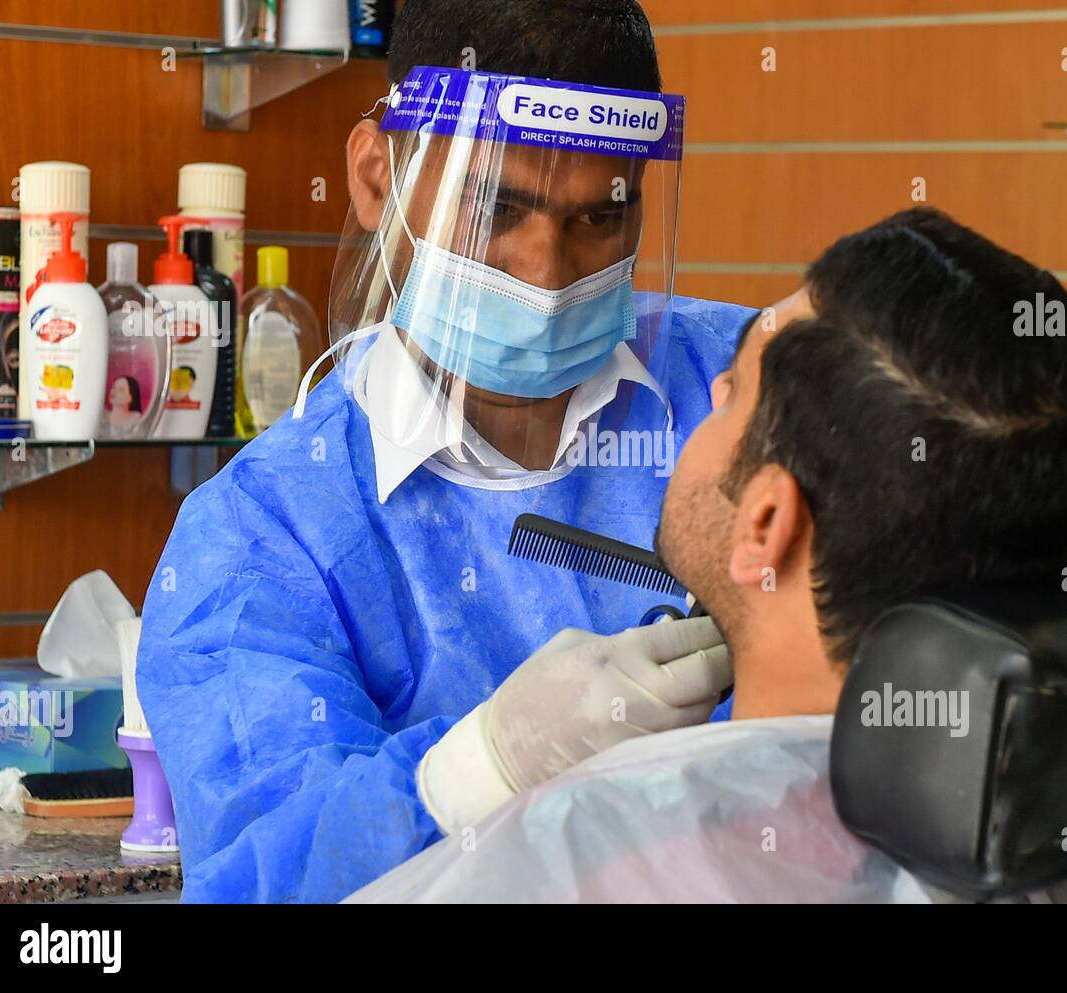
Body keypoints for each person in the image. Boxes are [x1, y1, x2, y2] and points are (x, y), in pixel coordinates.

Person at [348, 208, 1067, 903]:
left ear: (767, 525)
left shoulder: (590, 853)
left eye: (739, 380)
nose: (709, 383)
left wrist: (473, 776)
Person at [137, 0, 749, 903]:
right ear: (378, 175)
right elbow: (269, 877)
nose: (546, 274)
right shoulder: (260, 542)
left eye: (599, 220)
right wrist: (482, 766)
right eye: (497, 205)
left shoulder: (743, 385)